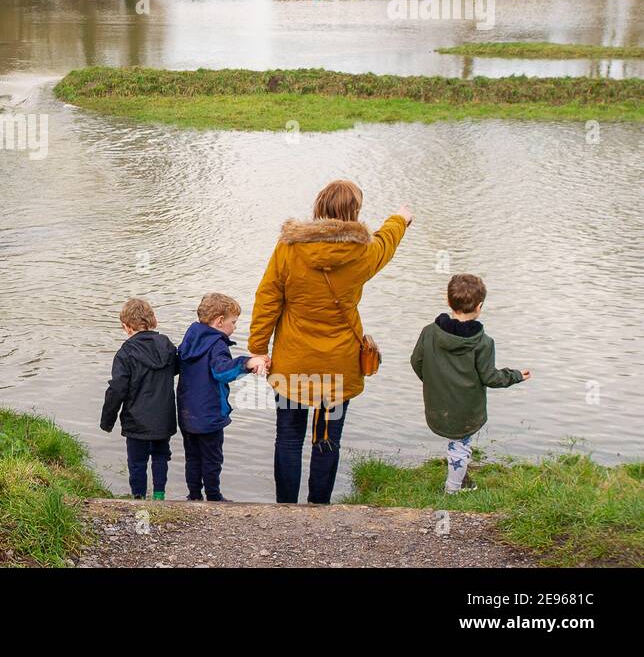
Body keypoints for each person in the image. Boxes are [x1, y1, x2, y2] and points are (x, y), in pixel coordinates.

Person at [248, 179, 412, 504]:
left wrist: (257, 350)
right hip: (338, 366)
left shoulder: (289, 247)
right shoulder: (363, 252)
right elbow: (386, 241)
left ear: (318, 206)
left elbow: (268, 299)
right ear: (355, 213)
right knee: (326, 438)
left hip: (293, 364)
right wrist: (400, 218)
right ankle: (319, 508)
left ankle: (285, 509)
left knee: (289, 439)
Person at [411, 274, 530, 494]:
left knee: (457, 443)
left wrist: (436, 383)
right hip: (465, 409)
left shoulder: (429, 332)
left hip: (438, 405)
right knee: (460, 445)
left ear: (448, 302)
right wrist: (515, 375)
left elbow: (416, 361)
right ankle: (454, 489)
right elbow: (490, 377)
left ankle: (461, 474)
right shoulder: (483, 343)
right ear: (480, 306)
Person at [176, 293, 269, 501]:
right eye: (233, 322)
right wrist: (247, 362)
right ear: (219, 321)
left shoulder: (190, 338)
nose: (234, 327)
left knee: (192, 457)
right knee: (212, 458)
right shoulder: (217, 344)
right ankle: (214, 496)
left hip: (186, 413)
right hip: (209, 415)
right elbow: (222, 372)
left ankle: (193, 496)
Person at [100, 298, 179, 500]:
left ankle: (138, 498)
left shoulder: (125, 353)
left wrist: (107, 421)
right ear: (154, 321)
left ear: (126, 327)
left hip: (136, 419)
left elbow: (117, 389)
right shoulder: (168, 346)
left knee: (137, 462)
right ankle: (159, 496)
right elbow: (177, 369)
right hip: (164, 417)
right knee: (161, 456)